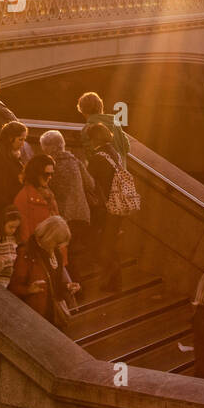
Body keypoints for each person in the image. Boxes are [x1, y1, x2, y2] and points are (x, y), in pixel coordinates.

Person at [9, 215, 80, 326]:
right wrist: (29, 290)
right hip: (36, 317)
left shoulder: (55, 252)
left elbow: (54, 284)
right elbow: (13, 288)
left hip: (52, 314)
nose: (59, 246)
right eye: (57, 242)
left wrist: (67, 287)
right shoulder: (26, 254)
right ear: (49, 237)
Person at [39, 129, 92, 261]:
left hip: (64, 218)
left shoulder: (50, 167)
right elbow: (91, 184)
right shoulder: (75, 161)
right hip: (82, 215)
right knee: (75, 254)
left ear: (47, 148)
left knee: (67, 256)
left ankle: (73, 281)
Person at [86, 121, 126, 290]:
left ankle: (113, 278)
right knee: (110, 243)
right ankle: (115, 282)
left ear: (94, 139)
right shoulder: (114, 153)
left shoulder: (97, 158)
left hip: (105, 208)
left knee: (100, 244)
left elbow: (90, 183)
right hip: (118, 206)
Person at [13, 154, 60, 246]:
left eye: (52, 174)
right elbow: (24, 235)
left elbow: (58, 227)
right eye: (46, 174)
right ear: (36, 174)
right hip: (36, 251)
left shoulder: (49, 195)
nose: (50, 177)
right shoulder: (23, 197)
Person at [77, 90, 130, 168]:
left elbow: (91, 156)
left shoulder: (87, 129)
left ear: (82, 110)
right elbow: (126, 148)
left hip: (103, 175)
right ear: (101, 106)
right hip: (121, 176)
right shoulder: (115, 122)